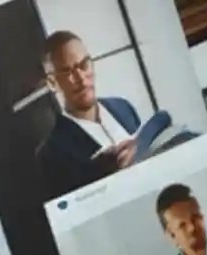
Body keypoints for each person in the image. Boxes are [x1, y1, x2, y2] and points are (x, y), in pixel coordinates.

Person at [37, 31, 142, 199]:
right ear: (52, 82)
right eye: (68, 71)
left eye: (84, 64)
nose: (80, 77)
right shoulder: (51, 155)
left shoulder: (123, 107)